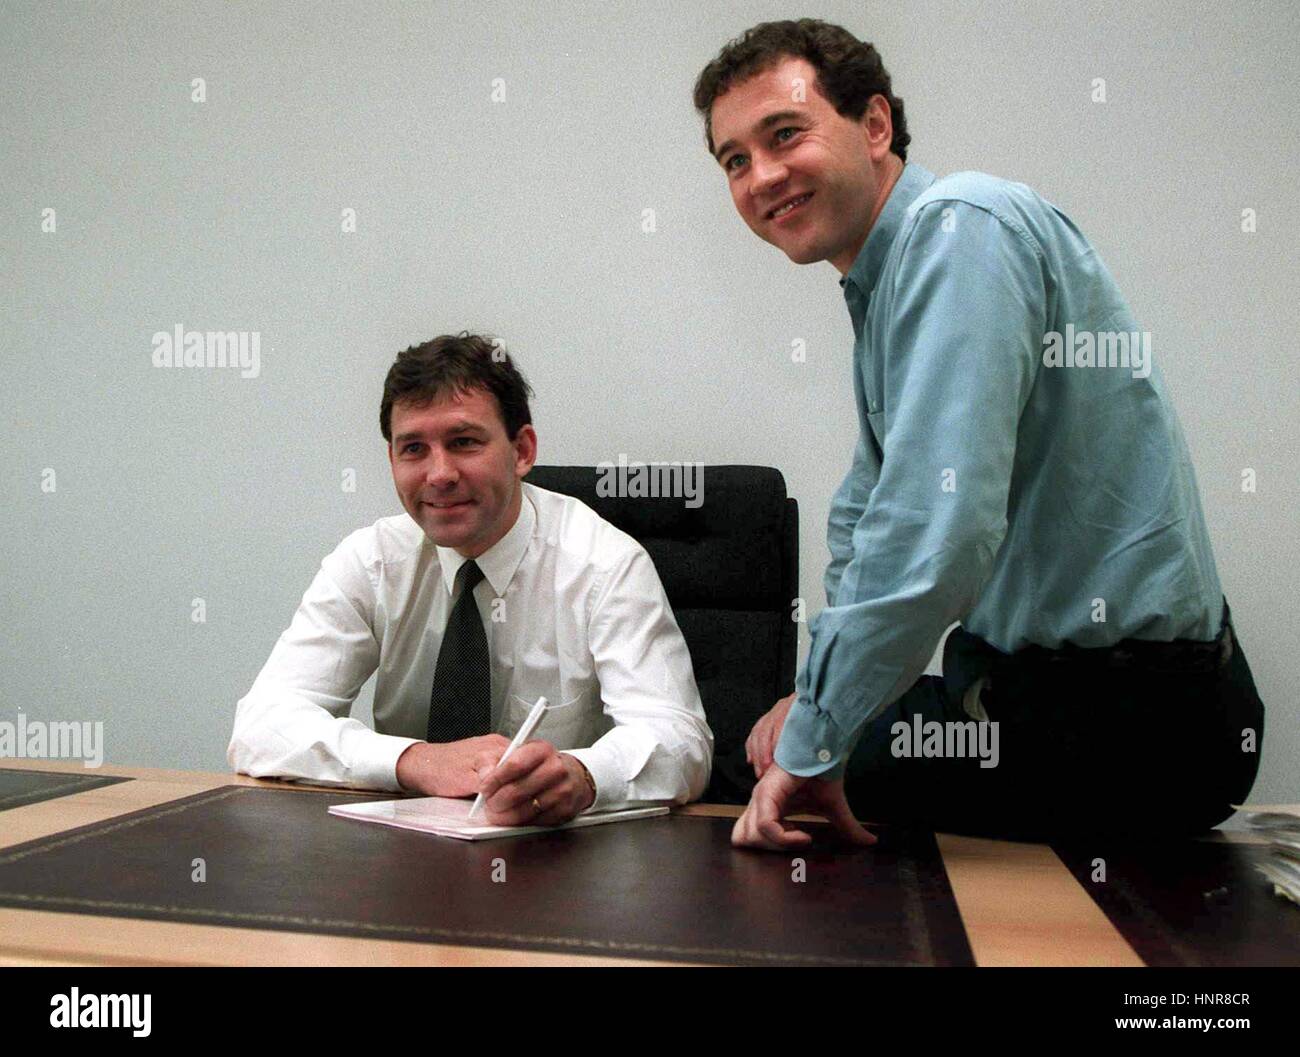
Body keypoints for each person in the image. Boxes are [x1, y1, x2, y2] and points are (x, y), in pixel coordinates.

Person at [692, 19, 1264, 849]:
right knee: (767, 739)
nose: (761, 176)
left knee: (753, 762)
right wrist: (819, 700)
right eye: (735, 159)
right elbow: (867, 522)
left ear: (875, 125)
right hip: (1043, 696)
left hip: (1129, 724)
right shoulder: (888, 280)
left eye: (784, 135)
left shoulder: (962, 232)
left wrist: (819, 738)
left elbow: (936, 530)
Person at [228, 333, 712, 825]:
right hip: (405, 864)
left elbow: (680, 739)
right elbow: (261, 726)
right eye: (414, 448)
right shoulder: (370, 562)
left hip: (561, 861)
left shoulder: (605, 565)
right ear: (392, 461)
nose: (439, 473)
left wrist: (584, 775)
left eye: (463, 442)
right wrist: (414, 760)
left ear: (522, 450)